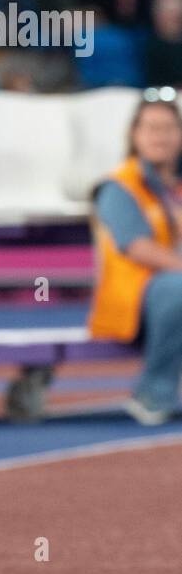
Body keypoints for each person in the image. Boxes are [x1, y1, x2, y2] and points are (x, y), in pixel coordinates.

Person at [87, 88, 182, 424]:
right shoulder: (119, 186)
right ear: (134, 134)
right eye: (151, 128)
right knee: (177, 289)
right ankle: (153, 393)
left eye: (168, 128)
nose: (160, 137)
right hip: (134, 296)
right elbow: (137, 246)